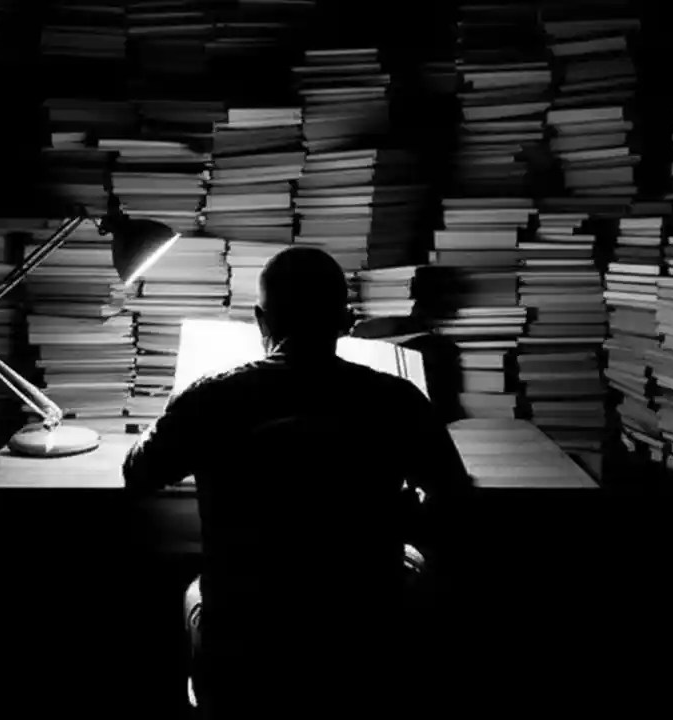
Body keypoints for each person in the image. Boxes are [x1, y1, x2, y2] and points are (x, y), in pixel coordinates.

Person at [122, 246, 471, 718]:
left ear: (261, 321)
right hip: (360, 645)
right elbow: (454, 498)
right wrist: (391, 513)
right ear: (345, 321)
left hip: (246, 649)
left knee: (191, 588)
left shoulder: (211, 397)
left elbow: (138, 472)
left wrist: (174, 415)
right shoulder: (397, 399)